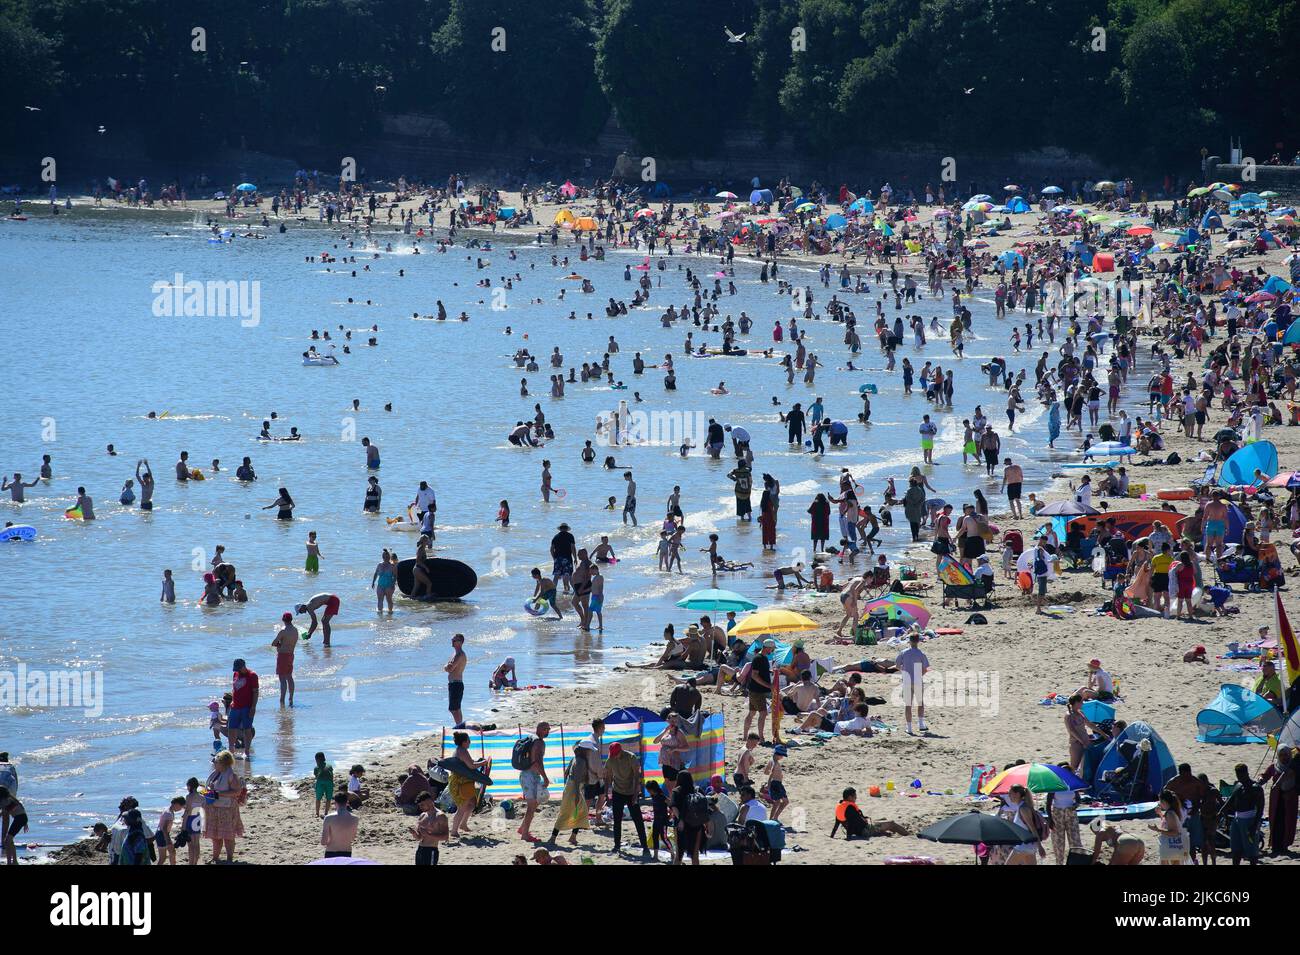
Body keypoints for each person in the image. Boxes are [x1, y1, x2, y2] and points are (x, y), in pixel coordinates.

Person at [607, 741, 650, 858]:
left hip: (631, 792)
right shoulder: (611, 759)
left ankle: (645, 846)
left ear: (620, 751)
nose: (614, 756)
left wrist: (636, 795)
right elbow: (608, 776)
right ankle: (616, 846)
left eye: (616, 754)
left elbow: (637, 776)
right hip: (617, 792)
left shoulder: (631, 757)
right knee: (617, 820)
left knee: (638, 820)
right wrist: (607, 792)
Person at [204, 750, 244, 863]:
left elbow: (237, 792)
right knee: (215, 836)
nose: (214, 763)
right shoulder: (216, 773)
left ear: (223, 763)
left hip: (227, 809)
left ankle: (229, 859)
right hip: (214, 808)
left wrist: (219, 794)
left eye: (216, 762)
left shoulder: (231, 775)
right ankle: (215, 857)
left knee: (228, 836)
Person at [1259, 745, 1298, 856]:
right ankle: (1276, 845)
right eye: (1281, 755)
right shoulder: (1274, 767)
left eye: (1286, 755)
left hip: (1290, 799)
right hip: (1276, 798)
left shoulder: (1294, 766)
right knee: (1276, 821)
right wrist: (1260, 780)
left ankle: (1285, 845)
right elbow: (1265, 776)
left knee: (1288, 821)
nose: (1283, 757)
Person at [1225, 762, 1264, 865]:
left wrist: (1255, 826)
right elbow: (1230, 800)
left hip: (1250, 820)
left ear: (1246, 773)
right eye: (1238, 775)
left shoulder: (1256, 788)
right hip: (1237, 820)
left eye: (1241, 775)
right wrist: (1220, 813)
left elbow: (1260, 809)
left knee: (1252, 852)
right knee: (1236, 850)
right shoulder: (1238, 785)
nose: (1240, 778)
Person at [517, 722, 550, 842]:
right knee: (531, 807)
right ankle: (525, 834)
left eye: (549, 729)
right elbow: (537, 762)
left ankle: (522, 828)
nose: (548, 731)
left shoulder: (531, 739)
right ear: (539, 729)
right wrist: (545, 777)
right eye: (546, 729)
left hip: (528, 775)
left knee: (536, 803)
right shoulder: (539, 743)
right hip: (529, 776)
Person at [895, 631, 929, 735]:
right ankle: (921, 724)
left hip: (907, 680)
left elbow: (897, 665)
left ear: (909, 641)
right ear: (918, 641)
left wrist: (903, 670)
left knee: (908, 705)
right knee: (920, 703)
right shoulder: (921, 654)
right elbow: (925, 669)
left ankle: (909, 728)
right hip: (917, 680)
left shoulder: (904, 652)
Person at [743, 640, 775, 742]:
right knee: (763, 713)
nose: (772, 650)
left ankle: (745, 736)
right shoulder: (758, 658)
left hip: (755, 690)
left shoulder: (764, 658)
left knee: (752, 713)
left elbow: (761, 671)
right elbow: (754, 675)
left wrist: (770, 671)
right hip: (757, 691)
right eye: (772, 648)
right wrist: (768, 685)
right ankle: (761, 737)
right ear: (767, 648)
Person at [1150, 789, 1188, 864]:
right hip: (1174, 845)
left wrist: (1158, 829)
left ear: (1164, 801)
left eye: (1160, 801)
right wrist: (1160, 814)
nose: (1159, 803)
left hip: (1172, 846)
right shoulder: (1172, 811)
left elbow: (1175, 832)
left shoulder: (1170, 813)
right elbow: (1168, 824)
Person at [229, 658, 258, 752]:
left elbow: (255, 692)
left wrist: (253, 707)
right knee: (231, 728)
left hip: (247, 707)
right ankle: (231, 750)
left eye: (239, 669)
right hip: (235, 706)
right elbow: (234, 689)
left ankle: (247, 751)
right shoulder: (235, 674)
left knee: (247, 729)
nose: (237, 671)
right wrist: (231, 702)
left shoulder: (252, 675)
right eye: (236, 669)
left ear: (244, 666)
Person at [410, 790, 448, 865]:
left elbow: (446, 837)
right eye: (419, 805)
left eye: (422, 805)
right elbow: (419, 838)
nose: (420, 807)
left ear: (429, 802)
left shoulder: (440, 816)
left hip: (431, 850)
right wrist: (414, 834)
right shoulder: (422, 816)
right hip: (420, 849)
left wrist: (428, 835)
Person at [320, 791, 359, 858]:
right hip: (347, 852)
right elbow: (352, 838)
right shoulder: (355, 819)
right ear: (347, 802)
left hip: (331, 852)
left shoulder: (329, 818)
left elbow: (323, 842)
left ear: (335, 803)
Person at [271, 612, 298, 706]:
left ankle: (282, 699)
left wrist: (279, 644)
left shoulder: (283, 630)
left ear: (283, 620)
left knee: (282, 678)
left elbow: (274, 643)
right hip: (291, 654)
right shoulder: (295, 630)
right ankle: (291, 697)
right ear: (291, 619)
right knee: (289, 676)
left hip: (282, 655)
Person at [445, 633, 467, 725]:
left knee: (453, 708)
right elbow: (447, 667)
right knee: (456, 708)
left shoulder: (459, 655)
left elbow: (450, 668)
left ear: (460, 642)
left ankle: (459, 725)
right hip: (455, 684)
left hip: (456, 684)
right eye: (452, 639)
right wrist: (447, 667)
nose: (452, 641)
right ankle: (460, 725)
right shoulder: (455, 654)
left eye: (454, 640)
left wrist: (446, 667)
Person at [312, 752, 334, 818]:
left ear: (317, 760)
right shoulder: (329, 766)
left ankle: (317, 813)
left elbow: (316, 776)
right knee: (328, 798)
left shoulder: (316, 768)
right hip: (329, 782)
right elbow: (332, 774)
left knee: (318, 798)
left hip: (320, 783)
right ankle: (326, 813)